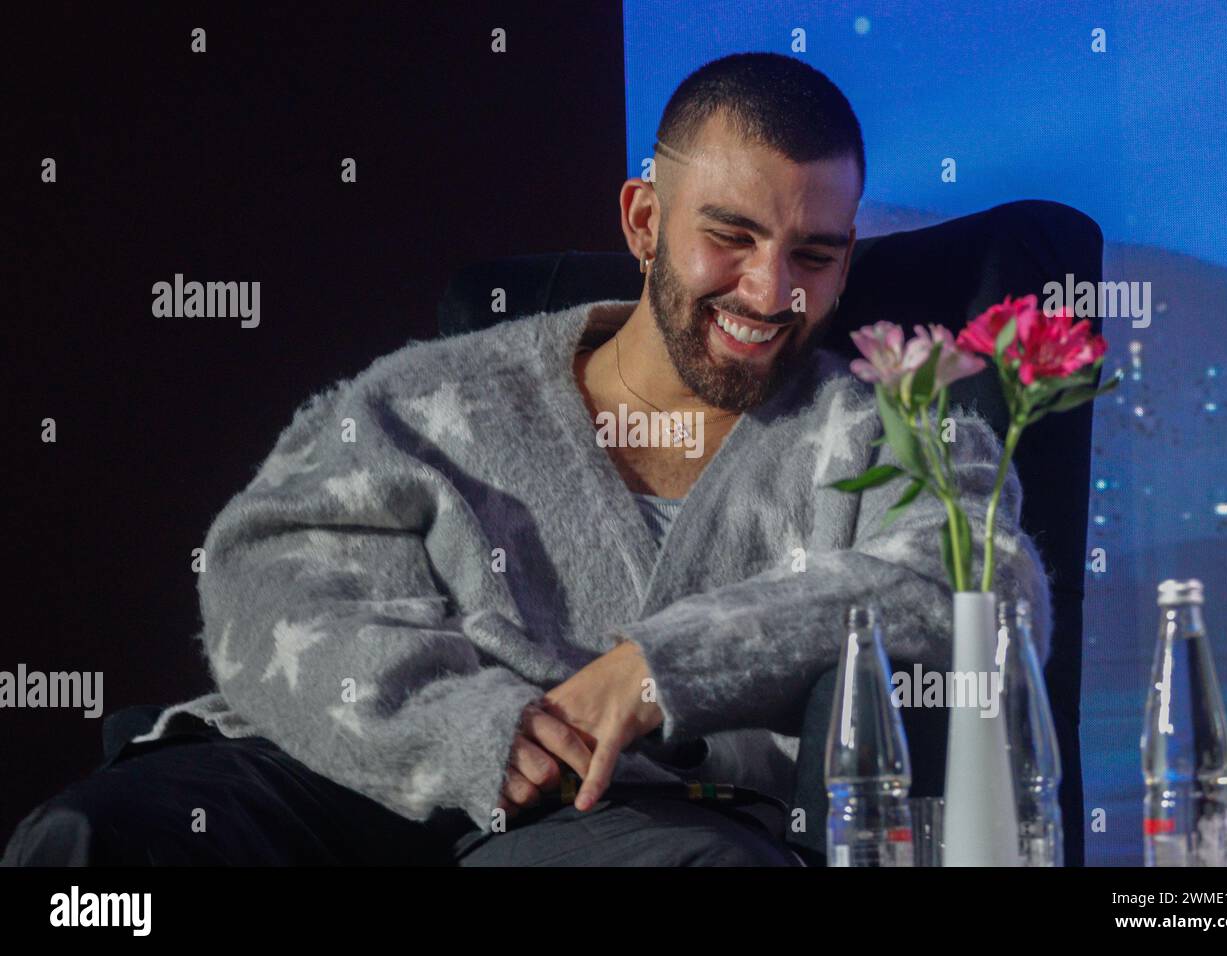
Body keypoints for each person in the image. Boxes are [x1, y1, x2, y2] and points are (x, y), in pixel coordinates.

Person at [3, 52, 1051, 867]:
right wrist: (473, 728)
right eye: (728, 236)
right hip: (359, 778)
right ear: (644, 218)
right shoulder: (436, 397)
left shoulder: (884, 429)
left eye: (813, 256)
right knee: (100, 851)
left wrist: (660, 668)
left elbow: (985, 591)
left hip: (634, 817)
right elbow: (265, 573)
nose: (771, 290)